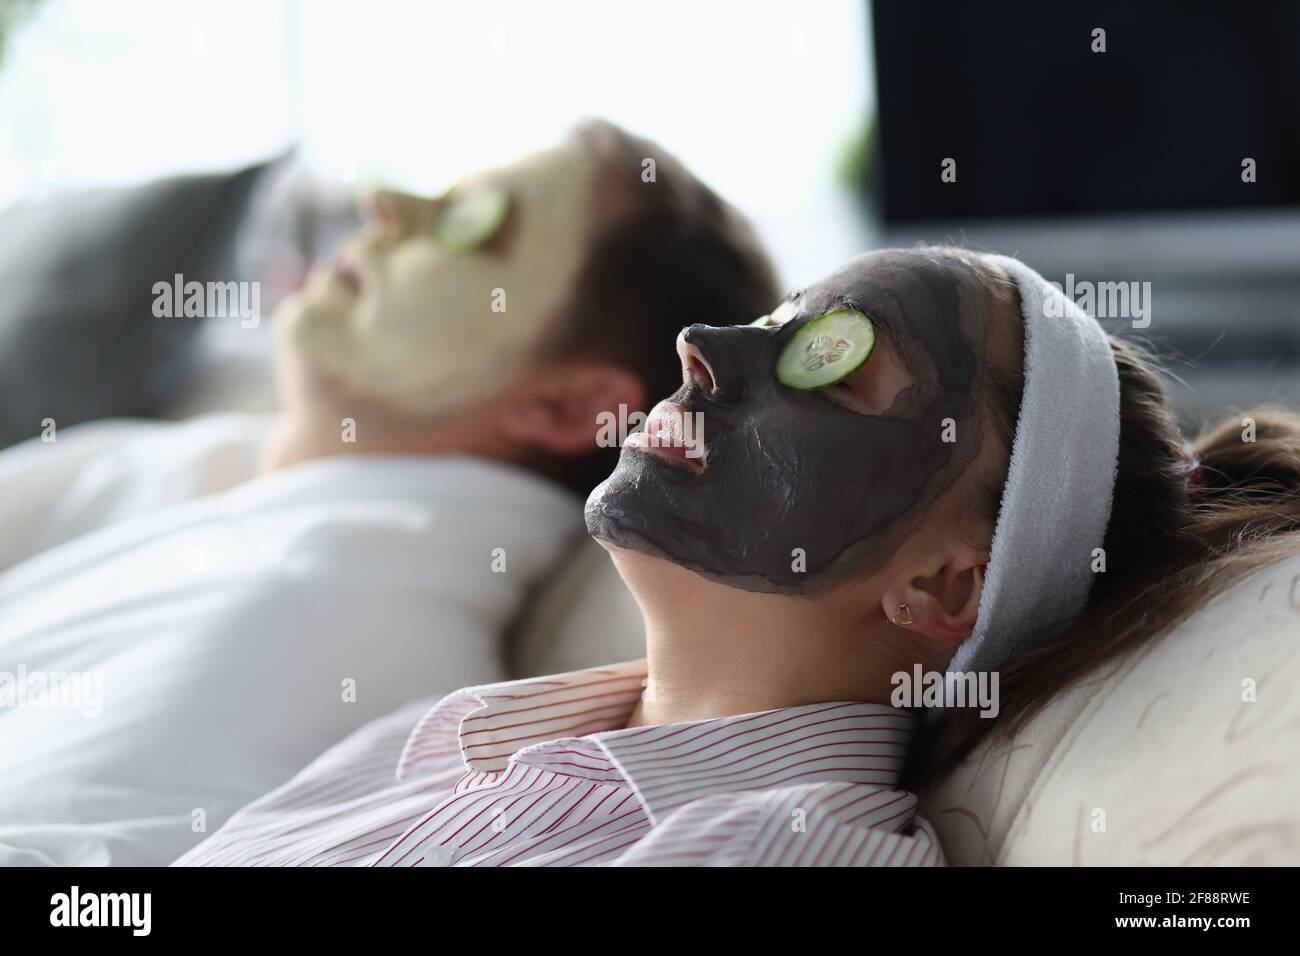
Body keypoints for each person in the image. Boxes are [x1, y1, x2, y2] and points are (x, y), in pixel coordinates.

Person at [177, 244, 1300, 866]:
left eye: (827, 363)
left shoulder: (786, 851)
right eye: (771, 319)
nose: (703, 350)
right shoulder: (447, 734)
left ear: (943, 583)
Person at [0, 120, 778, 866]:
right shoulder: (212, 466)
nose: (387, 205)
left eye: (477, 226)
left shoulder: (316, 616)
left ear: (566, 406)